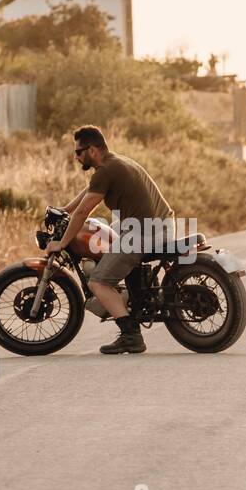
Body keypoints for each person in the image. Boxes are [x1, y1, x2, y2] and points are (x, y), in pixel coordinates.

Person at [47, 125, 173, 354]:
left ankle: (130, 334)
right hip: (158, 225)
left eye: (79, 152)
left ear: (93, 150)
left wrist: (62, 242)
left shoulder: (106, 170)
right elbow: (89, 191)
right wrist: (64, 209)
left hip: (144, 232)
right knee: (104, 229)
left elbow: (83, 212)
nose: (76, 157)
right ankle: (131, 292)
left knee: (98, 282)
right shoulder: (115, 163)